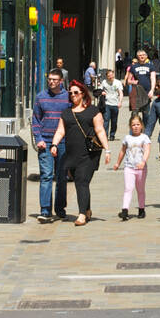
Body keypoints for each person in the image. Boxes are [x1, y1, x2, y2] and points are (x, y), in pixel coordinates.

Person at [49, 79, 111, 226]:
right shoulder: (66, 113)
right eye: (71, 93)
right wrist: (54, 144)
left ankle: (82, 214)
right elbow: (60, 130)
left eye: (76, 93)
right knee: (80, 182)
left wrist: (107, 149)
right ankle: (87, 209)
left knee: (82, 181)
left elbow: (100, 130)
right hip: (71, 154)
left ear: (83, 94)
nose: (73, 95)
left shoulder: (92, 111)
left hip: (89, 154)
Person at [32, 69, 71, 223]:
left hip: (62, 141)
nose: (52, 82)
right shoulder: (41, 97)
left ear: (61, 81)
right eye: (50, 79)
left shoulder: (68, 97)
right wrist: (38, 138)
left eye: (55, 79)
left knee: (61, 176)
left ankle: (60, 209)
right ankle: (45, 210)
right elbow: (35, 120)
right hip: (46, 142)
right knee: (46, 175)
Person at [113, 112, 151, 220]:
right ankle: (125, 210)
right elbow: (122, 151)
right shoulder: (127, 138)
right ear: (130, 126)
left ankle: (141, 209)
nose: (136, 127)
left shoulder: (144, 138)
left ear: (142, 126)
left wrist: (143, 161)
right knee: (128, 188)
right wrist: (117, 163)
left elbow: (147, 150)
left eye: (138, 124)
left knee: (140, 189)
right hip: (128, 167)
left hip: (141, 168)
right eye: (133, 125)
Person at [126, 50, 156, 114]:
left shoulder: (151, 66)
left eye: (143, 55)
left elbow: (153, 78)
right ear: (137, 57)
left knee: (146, 115)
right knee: (135, 114)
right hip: (136, 93)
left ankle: (145, 124)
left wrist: (152, 90)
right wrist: (133, 82)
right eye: (140, 55)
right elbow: (128, 81)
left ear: (146, 56)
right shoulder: (133, 67)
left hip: (147, 93)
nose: (142, 56)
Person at [100, 69, 124, 140]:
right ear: (106, 76)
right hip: (107, 103)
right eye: (109, 76)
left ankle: (112, 135)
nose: (110, 77)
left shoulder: (118, 82)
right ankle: (105, 135)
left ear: (114, 75)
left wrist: (120, 102)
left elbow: (121, 93)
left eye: (112, 75)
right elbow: (100, 90)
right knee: (106, 119)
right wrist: (102, 92)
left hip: (115, 104)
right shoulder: (104, 82)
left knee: (114, 121)